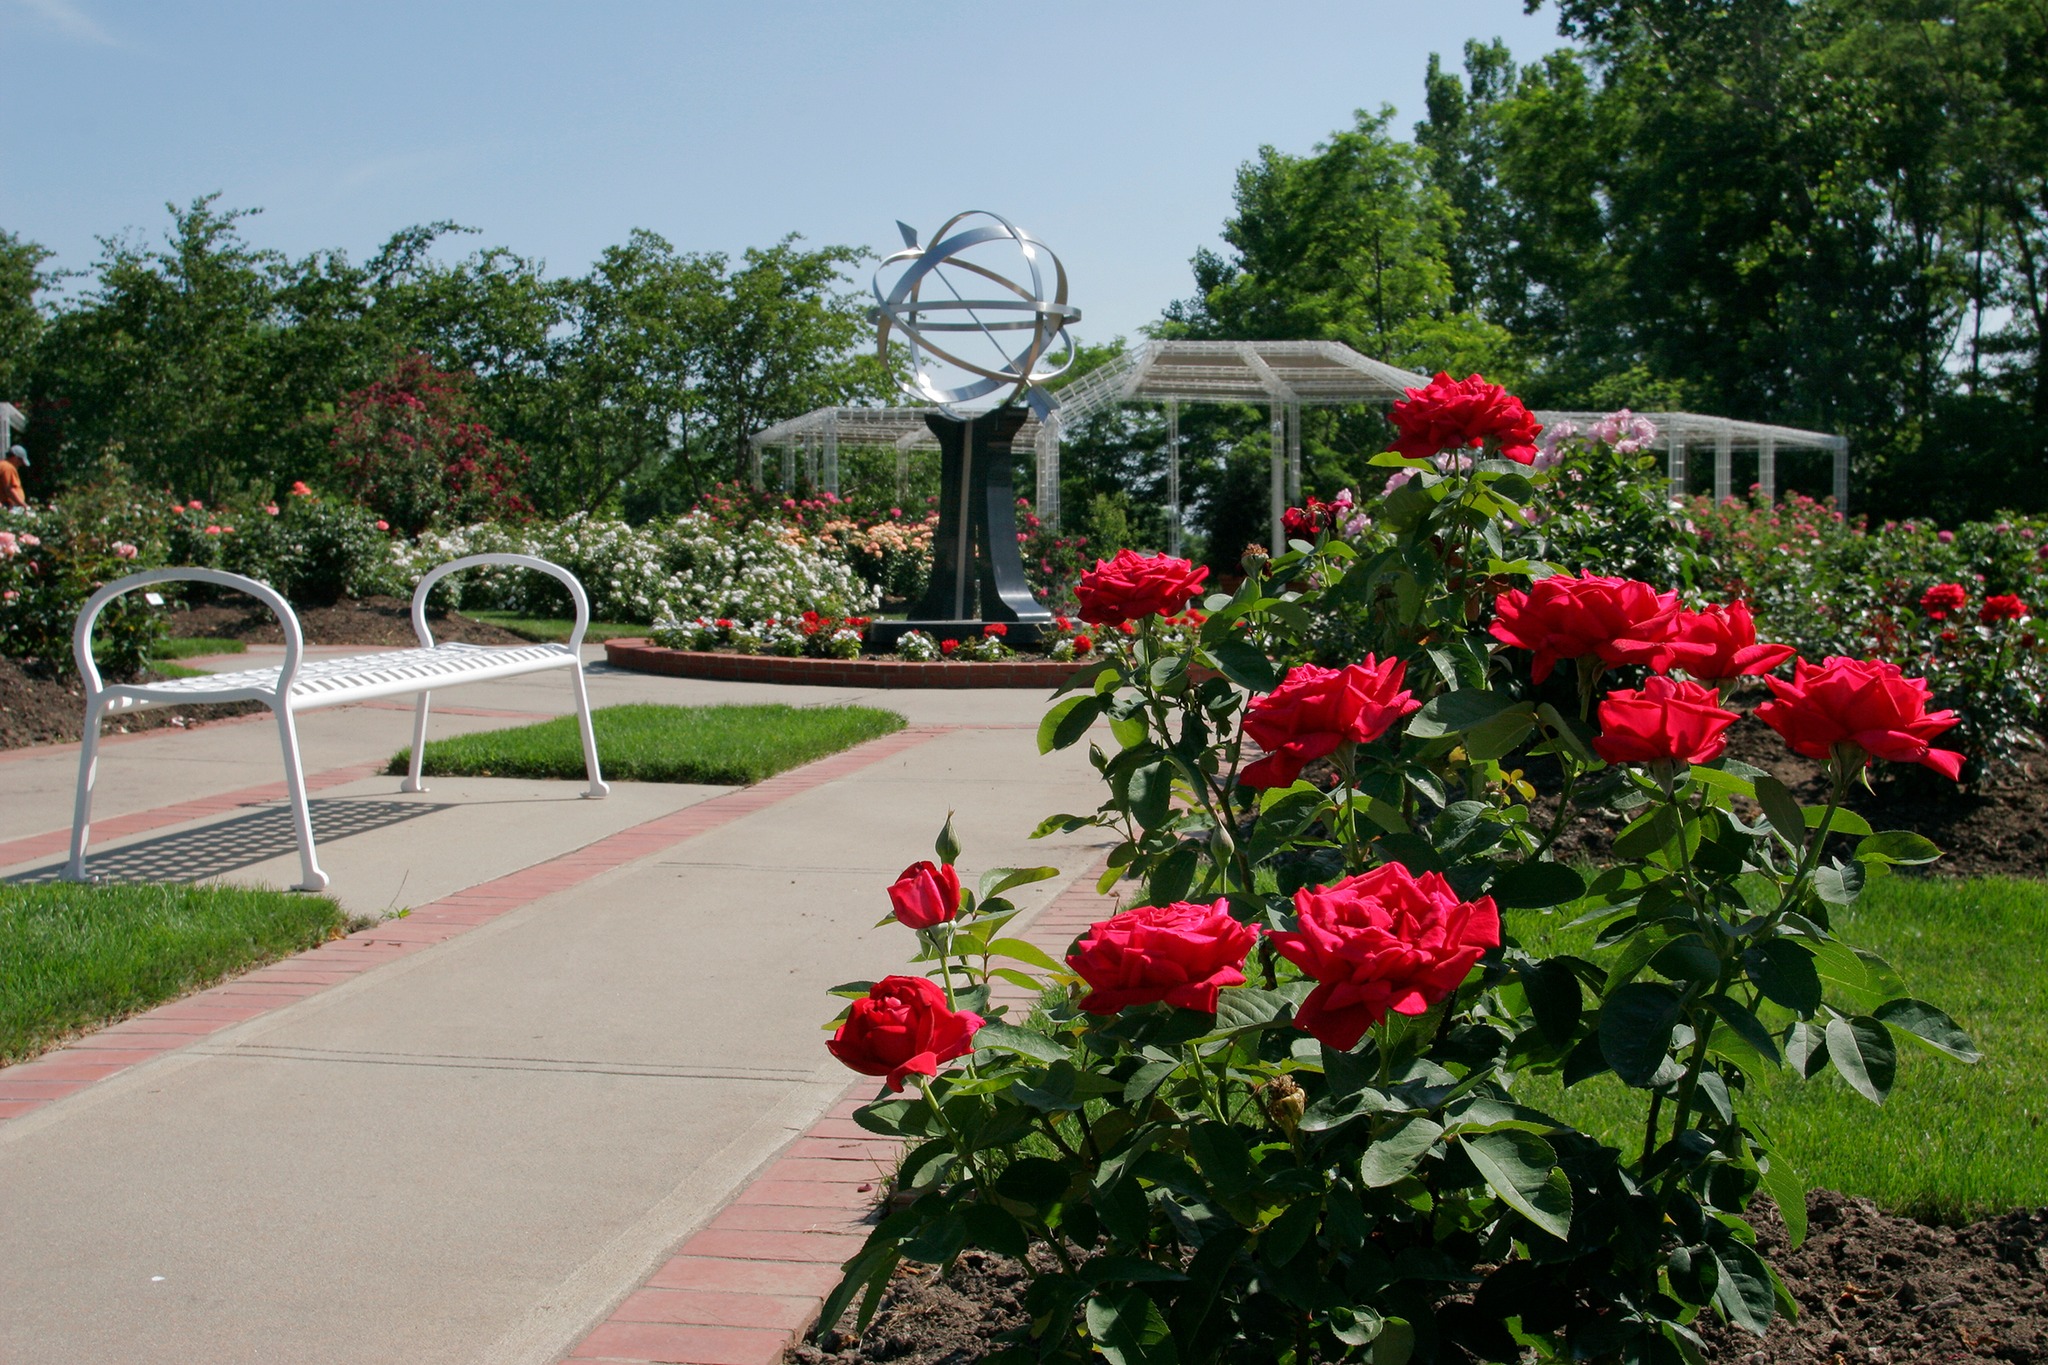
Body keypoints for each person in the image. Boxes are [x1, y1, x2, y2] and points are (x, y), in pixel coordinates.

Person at [0, 445, 26, 510]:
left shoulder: (2, 465)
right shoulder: (8, 467)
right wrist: (24, 505)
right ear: (15, 457)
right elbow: (10, 489)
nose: (21, 464)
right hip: (8, 506)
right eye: (21, 461)